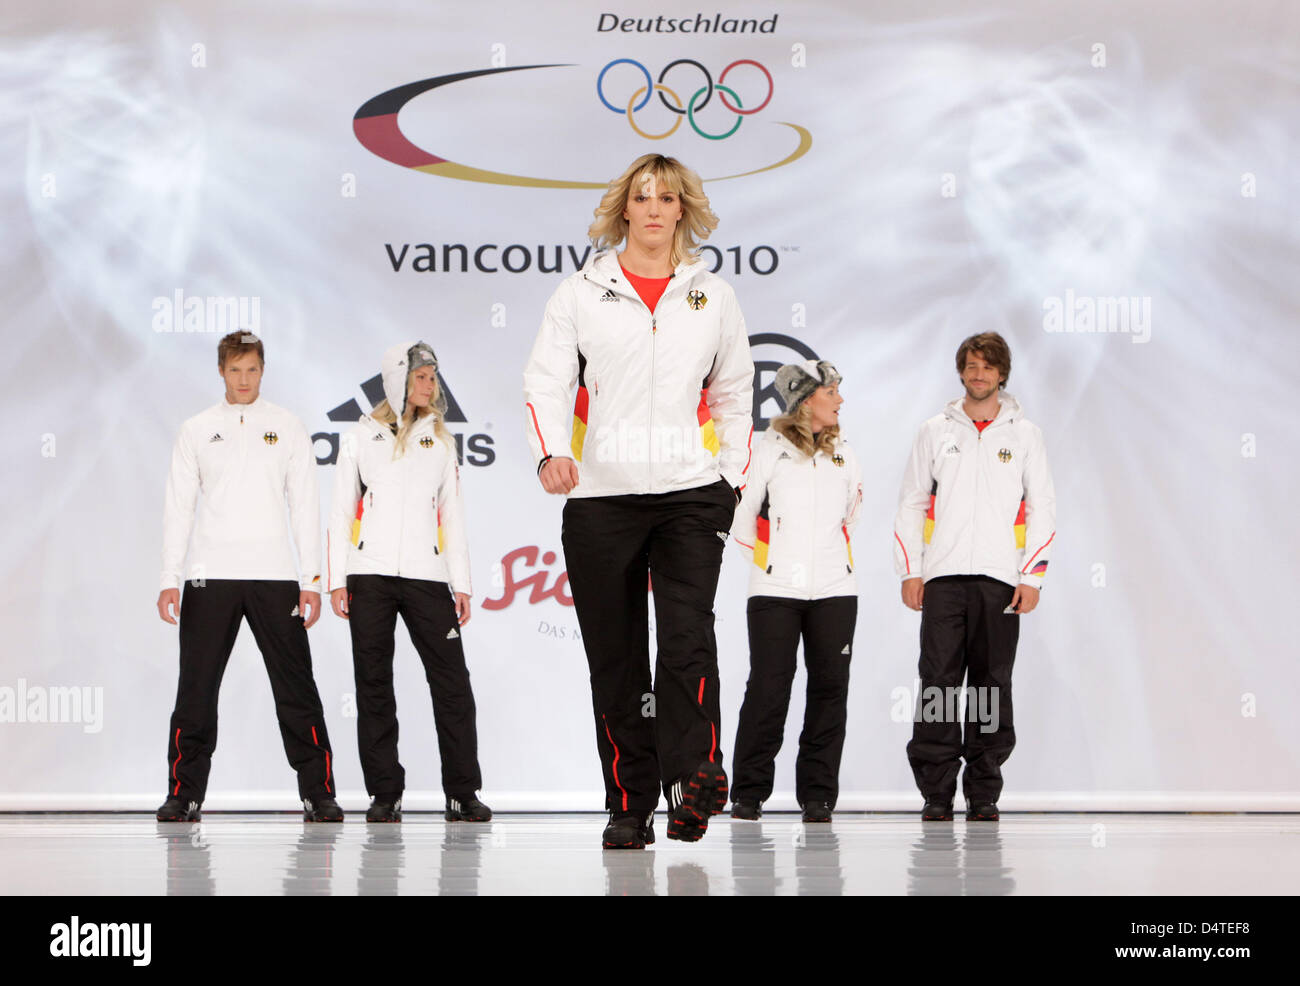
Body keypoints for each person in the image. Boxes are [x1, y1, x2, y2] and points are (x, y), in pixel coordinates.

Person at [523, 153, 754, 848]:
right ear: (625, 207)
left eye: (667, 198)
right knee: (618, 660)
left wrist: (732, 479)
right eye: (642, 197)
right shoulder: (579, 294)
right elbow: (545, 381)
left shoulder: (711, 296)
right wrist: (551, 450)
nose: (654, 209)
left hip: (690, 495)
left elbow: (737, 392)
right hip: (602, 500)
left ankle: (694, 783)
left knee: (686, 641)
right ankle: (629, 805)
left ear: (682, 209)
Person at [156, 331, 341, 823]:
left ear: (263, 370)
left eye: (252, 370)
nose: (244, 379)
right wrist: (169, 577)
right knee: (195, 691)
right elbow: (179, 507)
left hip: (275, 577)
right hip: (206, 577)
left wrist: (311, 581)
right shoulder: (195, 430)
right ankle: (183, 794)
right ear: (221, 371)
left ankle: (319, 794)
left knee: (296, 688)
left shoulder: (287, 426)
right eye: (235, 370)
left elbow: (305, 505)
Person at [893, 332, 1055, 821]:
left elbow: (1043, 508)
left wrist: (1033, 577)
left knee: (989, 686)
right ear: (961, 371)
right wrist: (911, 570)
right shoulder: (935, 431)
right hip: (942, 580)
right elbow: (912, 502)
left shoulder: (1025, 435)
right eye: (971, 365)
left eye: (987, 366)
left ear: (1002, 373)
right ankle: (937, 794)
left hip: (1000, 581)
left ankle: (983, 793)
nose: (978, 374)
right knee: (939, 686)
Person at [327, 341, 489, 824]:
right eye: (421, 375)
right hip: (369, 573)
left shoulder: (440, 441)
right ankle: (385, 793)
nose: (430, 383)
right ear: (398, 379)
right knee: (373, 683)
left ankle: (462, 792)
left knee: (453, 684)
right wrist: (337, 578)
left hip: (427, 575)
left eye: (434, 375)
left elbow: (452, 516)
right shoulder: (359, 437)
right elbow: (340, 510)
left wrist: (460, 582)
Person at [729, 360, 862, 823]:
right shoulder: (767, 450)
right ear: (808, 401)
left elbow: (851, 515)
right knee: (768, 688)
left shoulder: (844, 452)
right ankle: (747, 792)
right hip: (775, 590)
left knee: (830, 690)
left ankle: (819, 796)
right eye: (832, 393)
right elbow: (741, 519)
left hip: (835, 589)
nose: (840, 400)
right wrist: (773, 563)